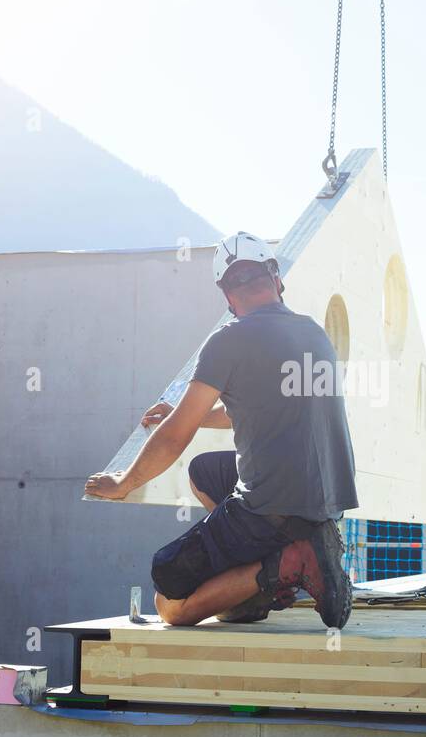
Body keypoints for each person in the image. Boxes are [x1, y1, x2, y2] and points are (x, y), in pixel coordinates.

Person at [84, 232, 358, 627]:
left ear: (227, 297)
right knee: (204, 473)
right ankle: (263, 577)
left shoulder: (229, 339)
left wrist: (123, 482)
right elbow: (250, 406)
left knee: (170, 600)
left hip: (271, 505)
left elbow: (177, 434)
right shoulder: (313, 333)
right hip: (327, 505)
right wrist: (187, 412)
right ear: (276, 280)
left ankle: (285, 565)